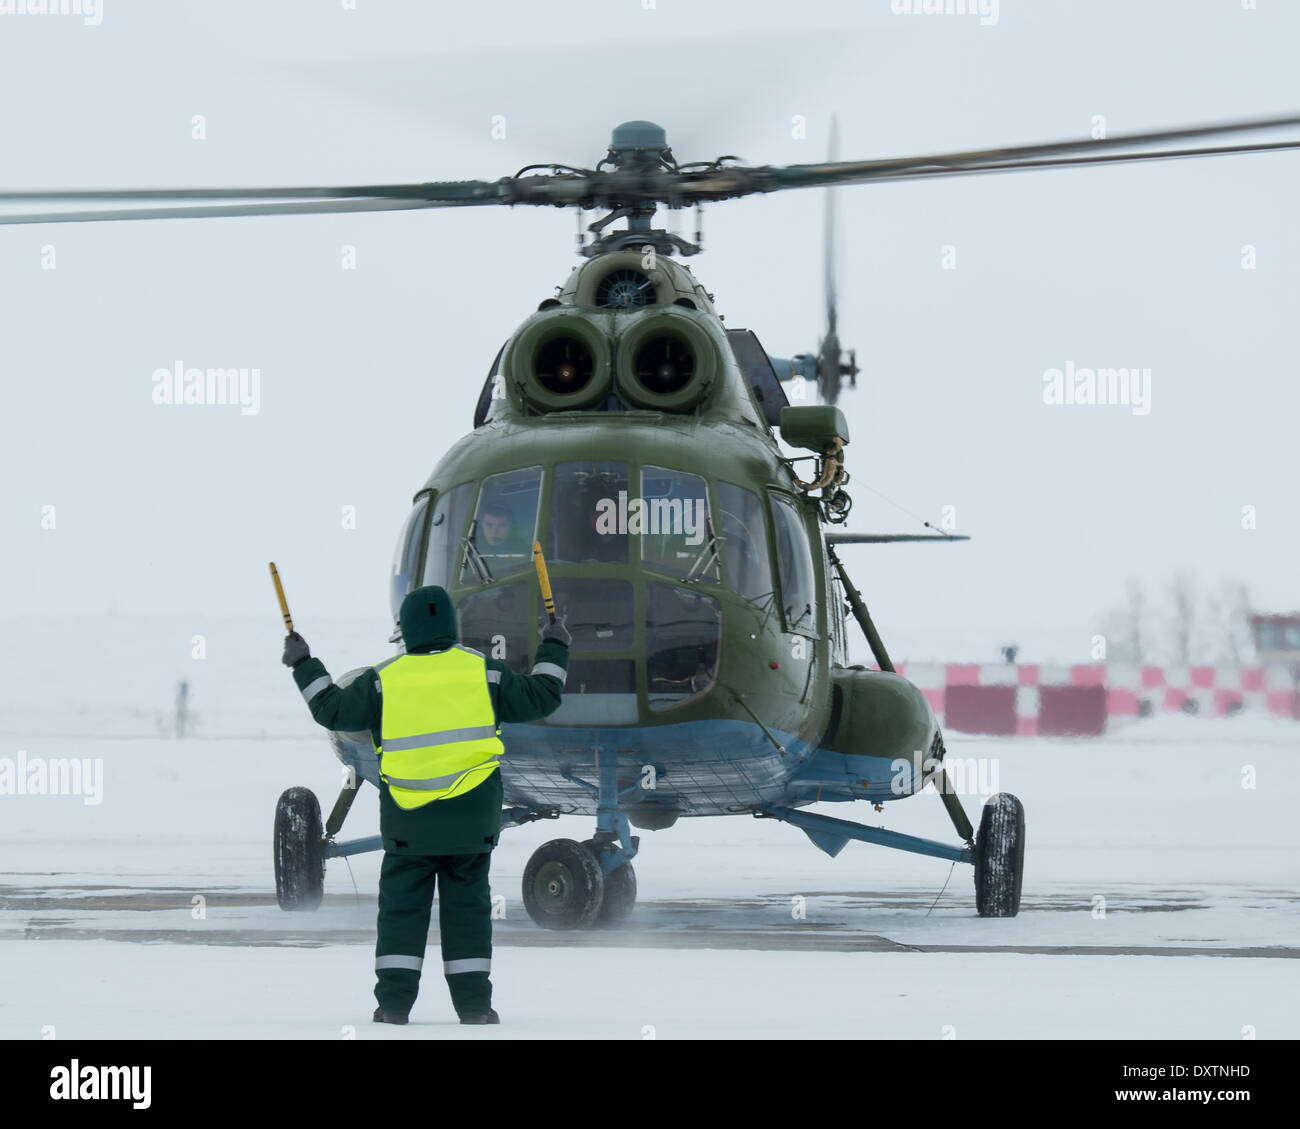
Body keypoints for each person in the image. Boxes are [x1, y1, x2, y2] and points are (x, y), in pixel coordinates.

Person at [282, 584, 570, 1026]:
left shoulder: (382, 680)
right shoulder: (485, 673)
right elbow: (543, 696)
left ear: (407, 629)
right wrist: (554, 644)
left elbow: (332, 711)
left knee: (401, 914)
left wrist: (304, 663)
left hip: (408, 826)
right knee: (469, 913)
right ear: (450, 627)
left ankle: (393, 1007)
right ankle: (475, 1009)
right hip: (471, 825)